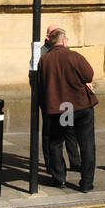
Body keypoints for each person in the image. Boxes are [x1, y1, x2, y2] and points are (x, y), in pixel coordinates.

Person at [37, 28, 97, 191]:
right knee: (86, 144)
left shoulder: (44, 60)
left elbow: (41, 84)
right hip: (81, 106)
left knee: (56, 143)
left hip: (63, 108)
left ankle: (60, 178)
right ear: (63, 41)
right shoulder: (74, 56)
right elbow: (88, 75)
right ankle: (86, 183)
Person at [39, 23, 77, 177]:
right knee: (50, 136)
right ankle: (51, 165)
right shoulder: (41, 53)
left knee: (69, 131)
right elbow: (35, 78)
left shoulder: (66, 52)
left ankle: (75, 162)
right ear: (48, 37)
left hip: (66, 102)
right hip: (50, 101)